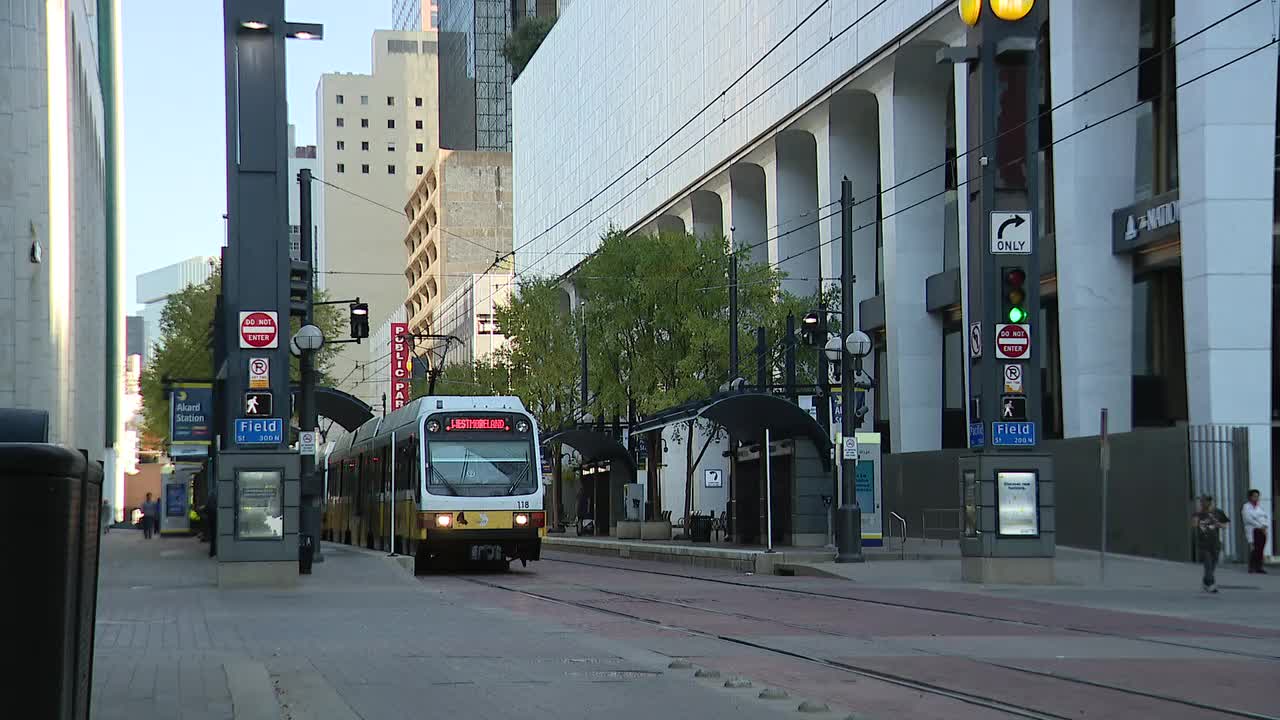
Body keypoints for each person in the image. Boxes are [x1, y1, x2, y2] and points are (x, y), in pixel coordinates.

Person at [1191, 495, 1230, 593]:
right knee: (1208, 564)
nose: (1202, 504)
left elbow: (1225, 525)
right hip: (1203, 543)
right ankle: (1211, 584)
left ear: (1209, 502)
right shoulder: (1198, 514)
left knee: (1212, 565)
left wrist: (1218, 524)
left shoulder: (1218, 512)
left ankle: (1206, 582)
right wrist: (1197, 520)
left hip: (1215, 543)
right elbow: (1194, 525)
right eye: (1201, 502)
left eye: (1204, 502)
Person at [1242, 489, 1270, 574]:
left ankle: (1259, 567)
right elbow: (1248, 519)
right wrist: (1260, 525)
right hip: (1253, 530)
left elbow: (1265, 517)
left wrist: (1264, 525)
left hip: (1262, 530)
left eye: (1257, 496)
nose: (1256, 498)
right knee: (1254, 549)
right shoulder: (1246, 507)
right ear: (1250, 497)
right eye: (1254, 496)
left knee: (1261, 549)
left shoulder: (1259, 507)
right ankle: (1252, 567)